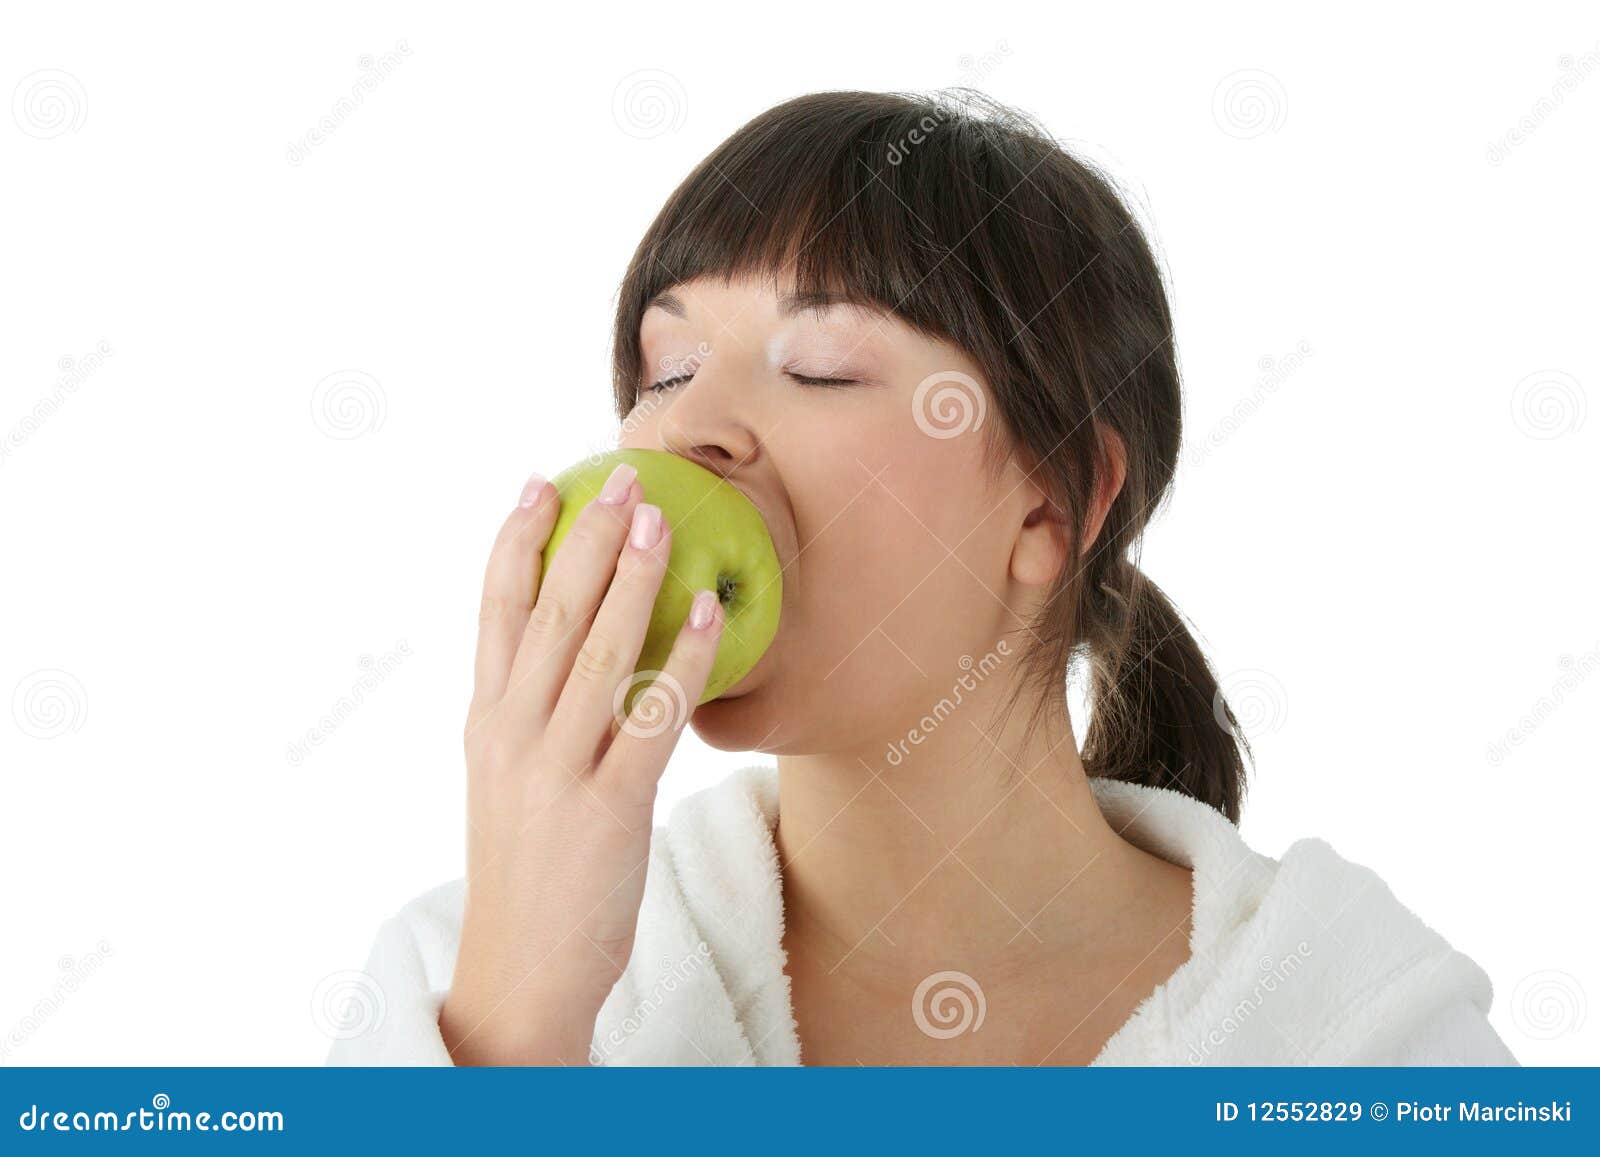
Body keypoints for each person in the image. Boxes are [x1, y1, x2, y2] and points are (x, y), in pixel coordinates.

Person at [328, 90, 1516, 1067]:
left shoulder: (1359, 1038)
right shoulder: (457, 982)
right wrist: (519, 1016)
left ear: (1052, 504)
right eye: (666, 368)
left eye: (821, 366)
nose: (690, 426)